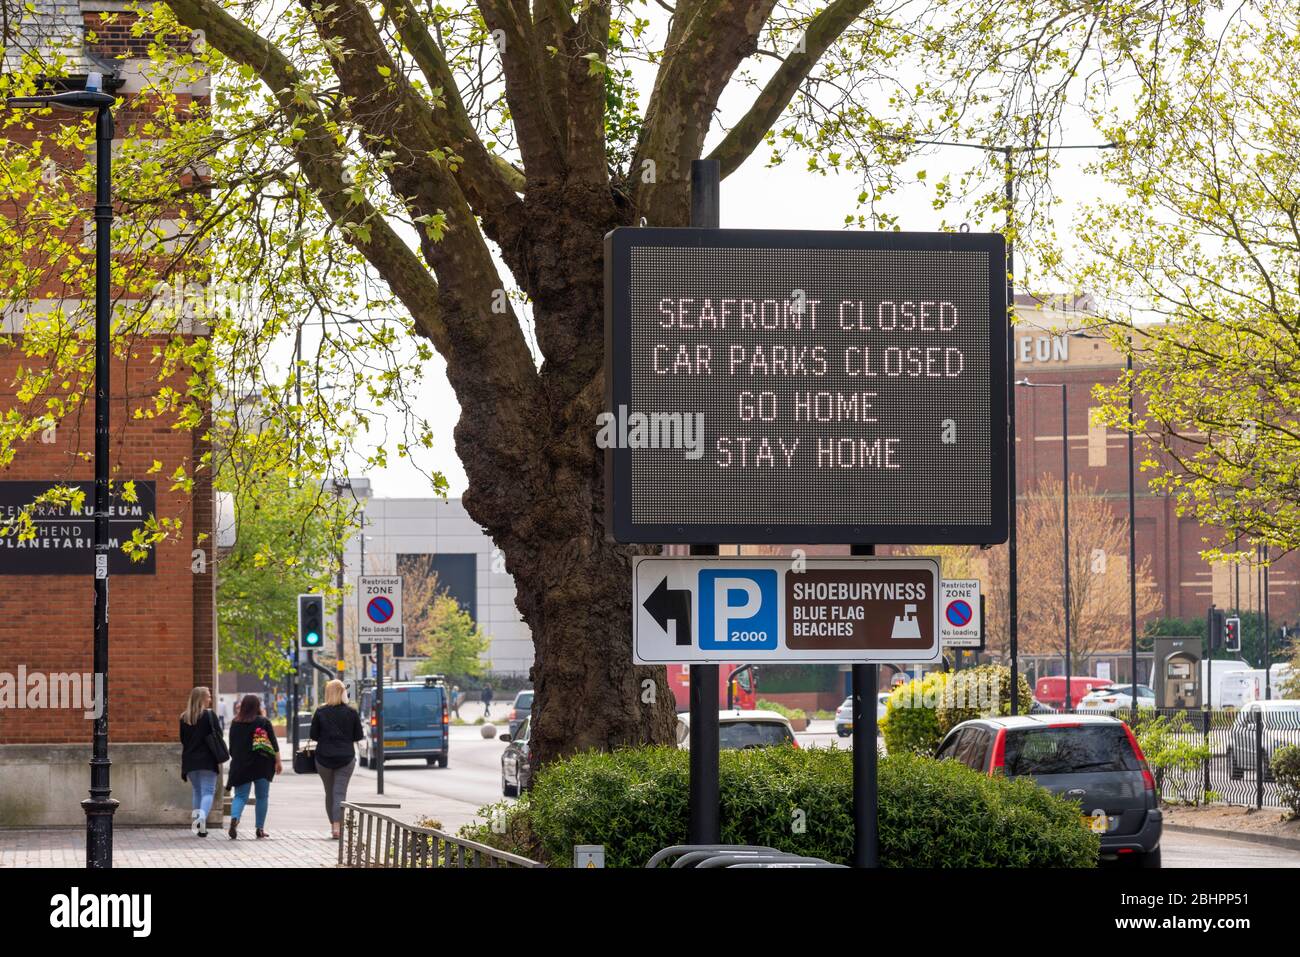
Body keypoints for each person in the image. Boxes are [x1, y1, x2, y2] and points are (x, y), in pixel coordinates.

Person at [310, 679, 363, 840]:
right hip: (346, 758)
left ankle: (334, 825)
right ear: (343, 693)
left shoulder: (320, 712)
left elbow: (313, 735)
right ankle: (337, 826)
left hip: (323, 758)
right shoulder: (351, 712)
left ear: (327, 693)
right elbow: (358, 736)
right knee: (339, 792)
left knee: (329, 793)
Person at [226, 693, 282, 840]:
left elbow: (232, 747)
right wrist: (278, 761)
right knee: (262, 797)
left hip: (241, 765)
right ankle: (259, 829)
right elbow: (274, 743)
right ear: (258, 706)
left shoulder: (235, 723)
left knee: (240, 796)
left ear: (243, 706)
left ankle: (235, 818)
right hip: (262, 764)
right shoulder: (263, 722)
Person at [179, 686, 224, 837]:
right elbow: (219, 735)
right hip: (207, 760)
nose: (210, 699)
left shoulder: (184, 718)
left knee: (197, 791)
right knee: (208, 792)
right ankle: (201, 819)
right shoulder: (209, 715)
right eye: (208, 696)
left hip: (190, 761)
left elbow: (183, 740)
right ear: (202, 698)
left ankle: (199, 827)